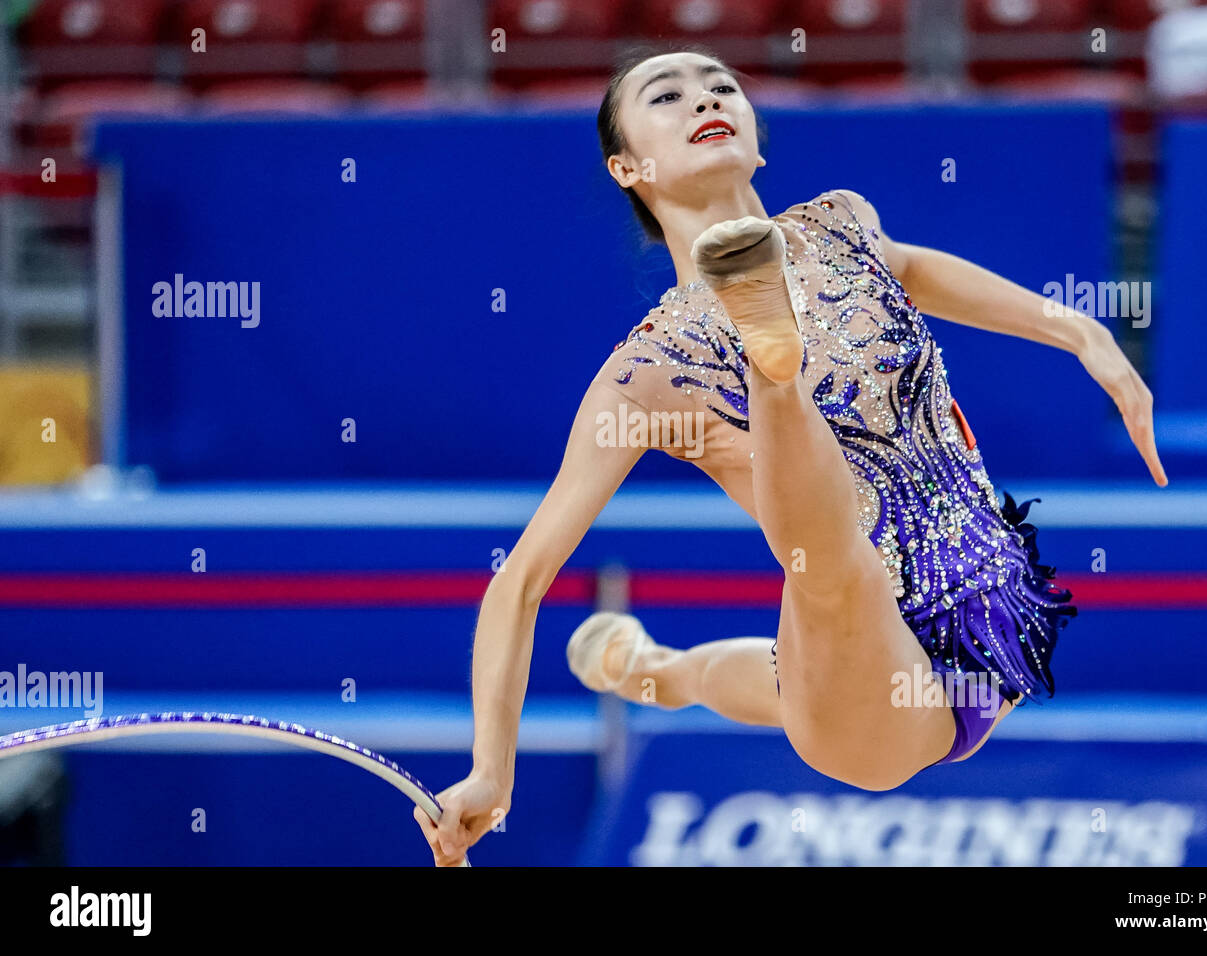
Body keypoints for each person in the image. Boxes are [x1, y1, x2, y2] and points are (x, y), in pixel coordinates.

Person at [414, 46, 1167, 867]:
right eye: (665, 96)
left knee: (764, 675)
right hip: (875, 689)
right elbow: (520, 579)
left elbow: (918, 270)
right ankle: (772, 363)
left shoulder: (842, 225)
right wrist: (493, 770)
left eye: (722, 86)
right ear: (627, 167)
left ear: (757, 140)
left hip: (996, 613)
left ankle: (652, 668)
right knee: (834, 568)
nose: (704, 98)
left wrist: (1075, 329)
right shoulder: (641, 377)